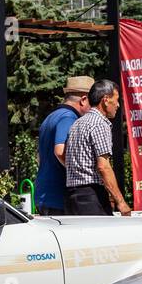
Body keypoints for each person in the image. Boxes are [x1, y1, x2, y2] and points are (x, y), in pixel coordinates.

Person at [64, 79, 132, 216]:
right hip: (91, 197)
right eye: (116, 100)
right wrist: (121, 202)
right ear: (106, 100)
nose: (118, 105)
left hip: (71, 196)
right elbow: (103, 167)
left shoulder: (77, 123)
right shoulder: (100, 124)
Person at [36, 77, 92, 215]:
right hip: (58, 198)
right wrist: (81, 173)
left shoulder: (52, 117)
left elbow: (40, 156)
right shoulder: (69, 117)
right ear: (83, 100)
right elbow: (60, 151)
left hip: (45, 195)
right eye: (93, 102)